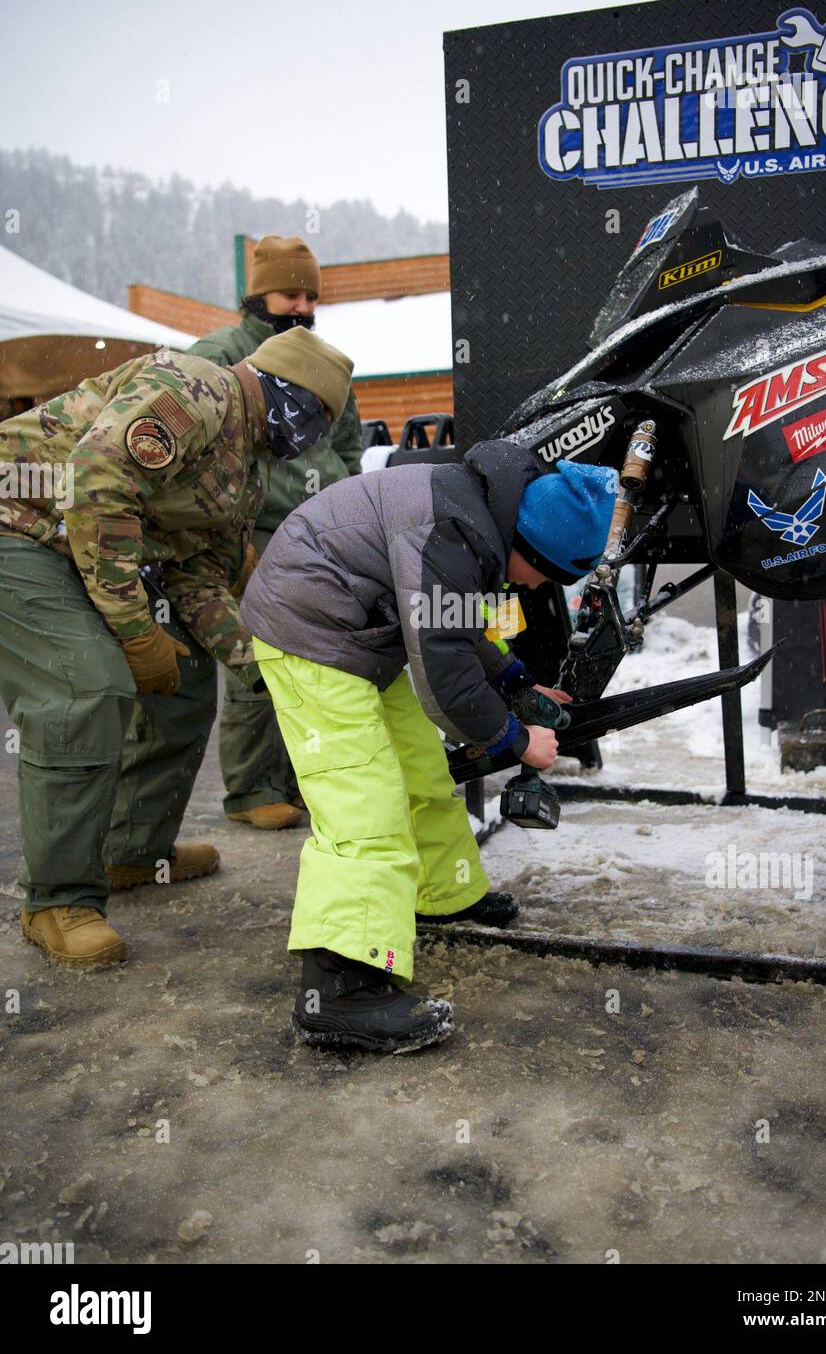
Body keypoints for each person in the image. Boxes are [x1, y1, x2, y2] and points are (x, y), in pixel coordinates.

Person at [241, 439, 616, 1053]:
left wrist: (516, 683)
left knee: (420, 769)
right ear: (531, 546)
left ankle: (441, 893)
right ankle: (339, 990)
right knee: (363, 801)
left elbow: (454, 625)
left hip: (365, 630)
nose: (535, 585)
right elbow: (444, 674)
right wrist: (519, 740)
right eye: (545, 573)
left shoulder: (483, 516)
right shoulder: (457, 531)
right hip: (310, 630)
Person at [0, 327, 352, 969]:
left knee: (182, 694)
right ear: (287, 395)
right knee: (87, 687)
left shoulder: (245, 467)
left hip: (74, 546)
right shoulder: (196, 390)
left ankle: (132, 851)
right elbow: (96, 481)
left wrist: (271, 672)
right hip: (17, 526)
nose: (313, 437)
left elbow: (200, 581)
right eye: (316, 417)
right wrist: (137, 633)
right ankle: (56, 900)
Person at [187, 235, 363, 831]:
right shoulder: (218, 353)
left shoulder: (324, 357)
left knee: (310, 658)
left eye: (311, 295)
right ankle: (250, 790)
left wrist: (348, 496)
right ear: (258, 293)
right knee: (257, 652)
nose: (302, 305)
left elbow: (347, 442)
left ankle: (296, 781)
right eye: (291, 293)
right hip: (249, 529)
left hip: (318, 531)